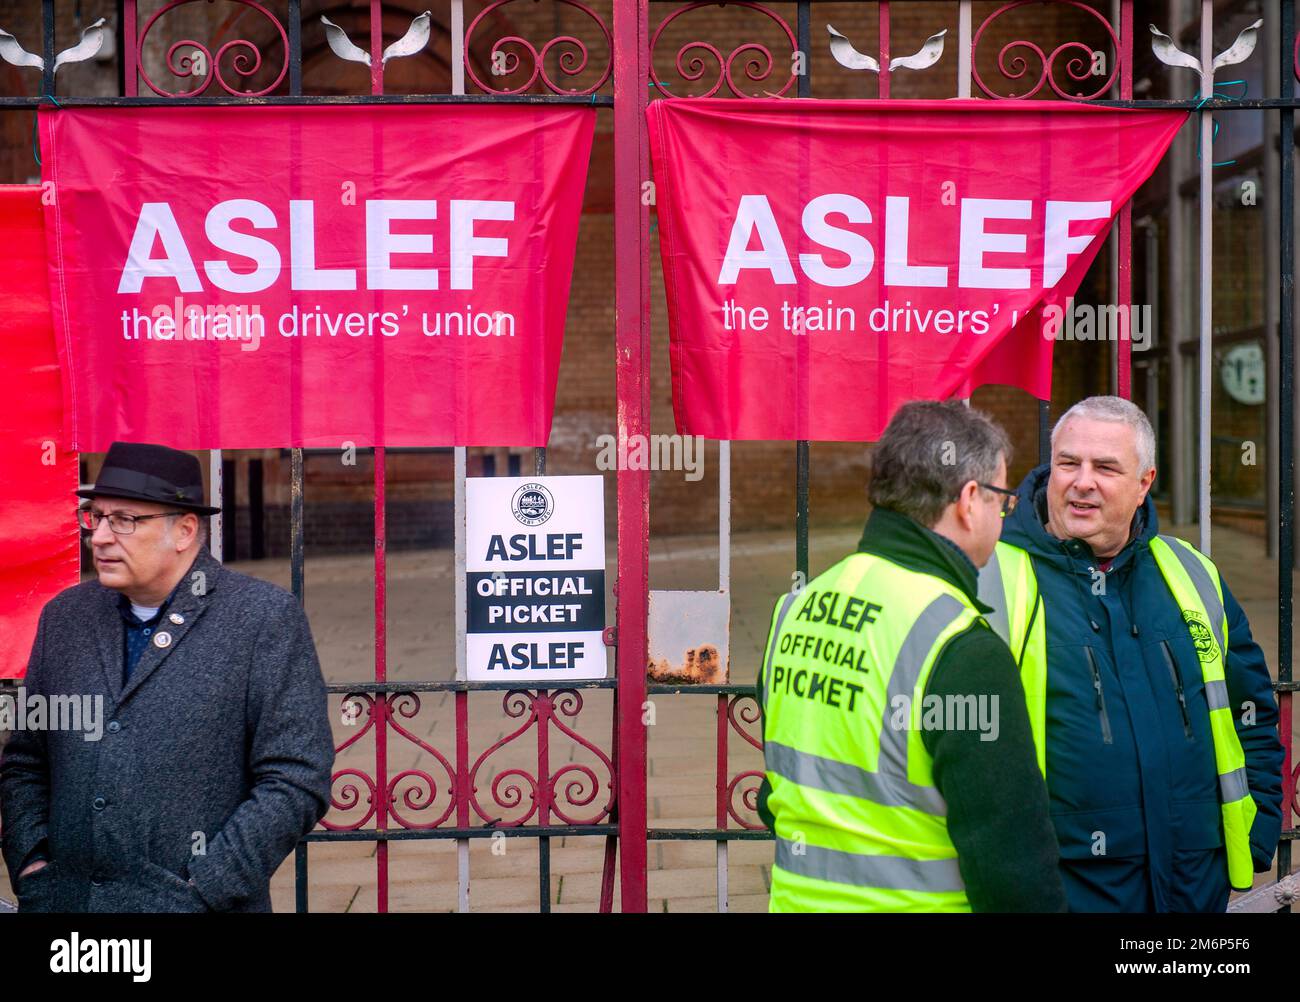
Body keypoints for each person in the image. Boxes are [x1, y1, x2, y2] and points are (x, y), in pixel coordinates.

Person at [756, 400, 1067, 912]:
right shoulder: (961, 646)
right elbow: (1010, 863)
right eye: (1001, 500)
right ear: (970, 500)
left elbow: (778, 793)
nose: (1003, 515)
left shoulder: (795, 608)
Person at [0, 442, 335, 912]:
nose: (99, 537)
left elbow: (296, 776)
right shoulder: (65, 617)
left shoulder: (261, 619)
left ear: (184, 530)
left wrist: (207, 887)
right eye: (95, 517)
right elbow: (26, 762)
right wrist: (33, 867)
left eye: (125, 520)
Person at [979, 396, 1284, 911]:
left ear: (1144, 483)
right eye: (1069, 463)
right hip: (1064, 886)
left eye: (1105, 467)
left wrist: (1258, 831)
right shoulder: (990, 579)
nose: (1082, 482)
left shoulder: (1190, 573)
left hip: (1192, 879)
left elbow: (1248, 712)